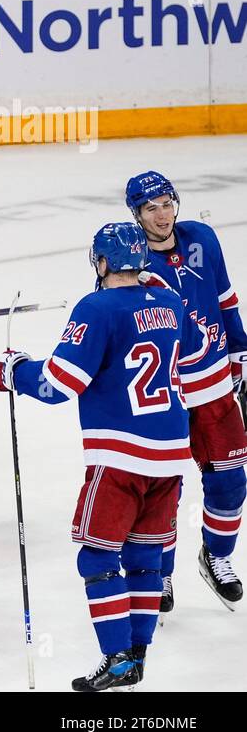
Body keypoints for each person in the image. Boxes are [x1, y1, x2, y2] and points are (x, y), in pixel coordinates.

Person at [0, 222, 210, 690]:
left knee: (97, 558)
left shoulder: (96, 307)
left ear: (103, 262)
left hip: (121, 457)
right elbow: (196, 349)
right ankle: (137, 656)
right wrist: (160, 293)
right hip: (171, 454)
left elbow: (57, 383)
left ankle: (116, 657)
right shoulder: (169, 302)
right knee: (145, 560)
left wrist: (15, 371)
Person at [125, 171, 247, 612]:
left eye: (167, 203)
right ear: (136, 215)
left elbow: (227, 299)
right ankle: (160, 574)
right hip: (167, 394)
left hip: (214, 384)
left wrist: (242, 354)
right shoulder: (129, 260)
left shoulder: (202, 237)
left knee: (231, 482)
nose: (162, 215)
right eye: (151, 208)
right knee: (164, 492)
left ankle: (216, 556)